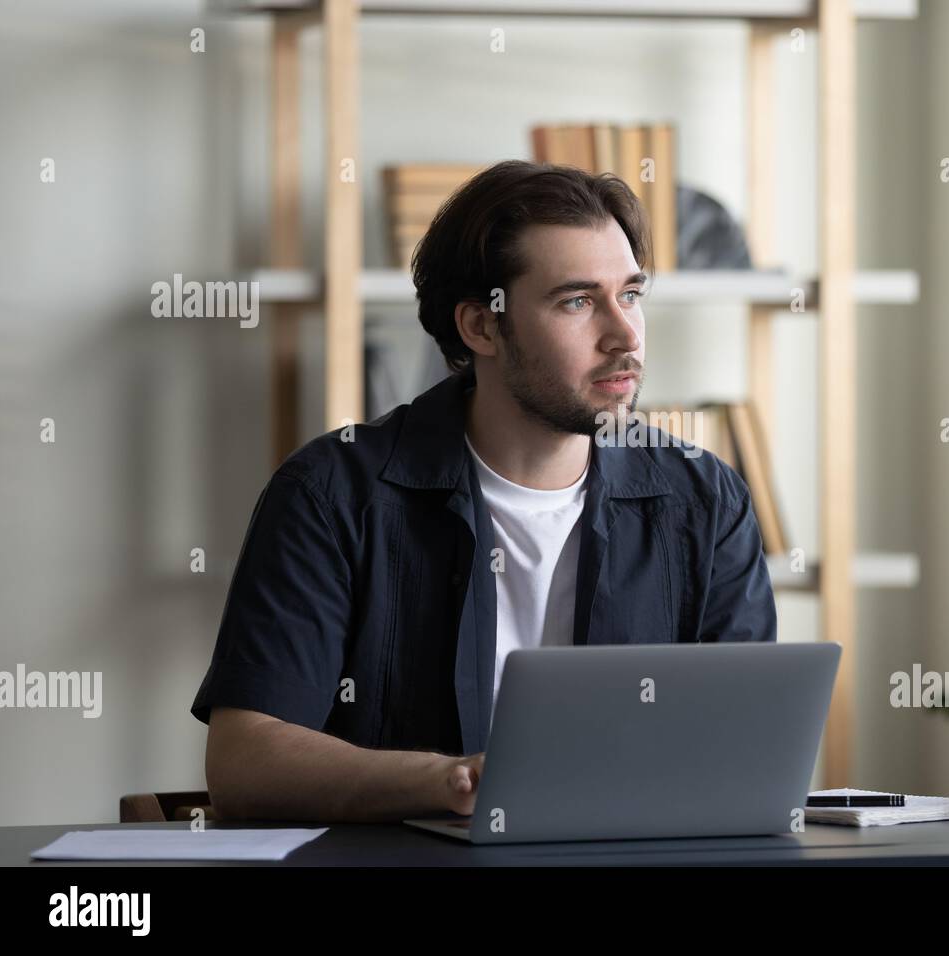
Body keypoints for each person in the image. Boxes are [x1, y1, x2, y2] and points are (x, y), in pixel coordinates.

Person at [191, 160, 777, 823]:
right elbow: (246, 764)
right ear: (481, 326)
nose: (625, 335)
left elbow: (748, 750)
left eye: (632, 295)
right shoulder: (330, 494)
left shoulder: (705, 502)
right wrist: (455, 781)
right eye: (578, 301)